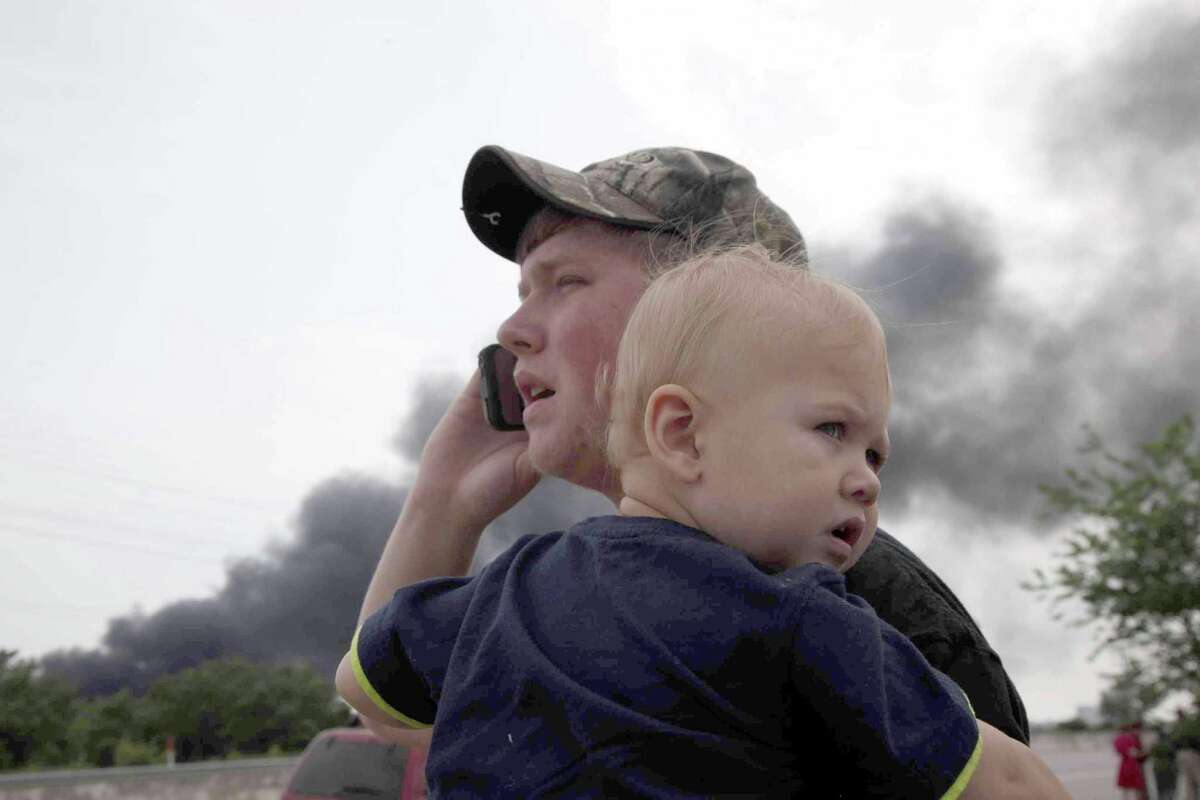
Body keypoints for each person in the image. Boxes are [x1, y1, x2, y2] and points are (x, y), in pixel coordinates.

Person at [350, 143, 1029, 746]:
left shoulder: (846, 593)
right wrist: (444, 503)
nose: (514, 329)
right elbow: (392, 713)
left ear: (698, 315)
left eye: (565, 282)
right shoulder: (591, 582)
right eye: (524, 292)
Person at [1114, 721, 1149, 800]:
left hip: (1124, 764)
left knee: (1126, 789)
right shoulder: (1130, 738)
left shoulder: (1118, 739)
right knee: (1137, 787)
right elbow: (1134, 753)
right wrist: (1146, 753)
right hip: (1133, 765)